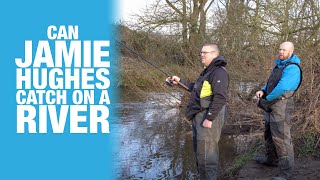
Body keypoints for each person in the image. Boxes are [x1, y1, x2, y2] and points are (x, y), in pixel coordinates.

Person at [167, 43, 228, 179]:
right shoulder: (208, 71)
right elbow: (196, 88)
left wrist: (209, 118)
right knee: (201, 154)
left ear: (214, 54)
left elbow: (220, 97)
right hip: (199, 115)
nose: (202, 55)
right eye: (201, 52)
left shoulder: (219, 72)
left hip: (207, 117)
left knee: (207, 157)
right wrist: (179, 82)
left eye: (205, 52)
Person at [255, 41, 302, 179]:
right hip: (271, 105)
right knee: (269, 133)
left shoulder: (293, 68)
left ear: (291, 52)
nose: (281, 52)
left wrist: (266, 99)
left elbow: (282, 87)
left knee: (281, 138)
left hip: (282, 106)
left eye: (284, 50)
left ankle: (286, 173)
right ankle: (271, 160)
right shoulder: (279, 66)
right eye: (280, 49)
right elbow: (271, 83)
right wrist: (262, 91)